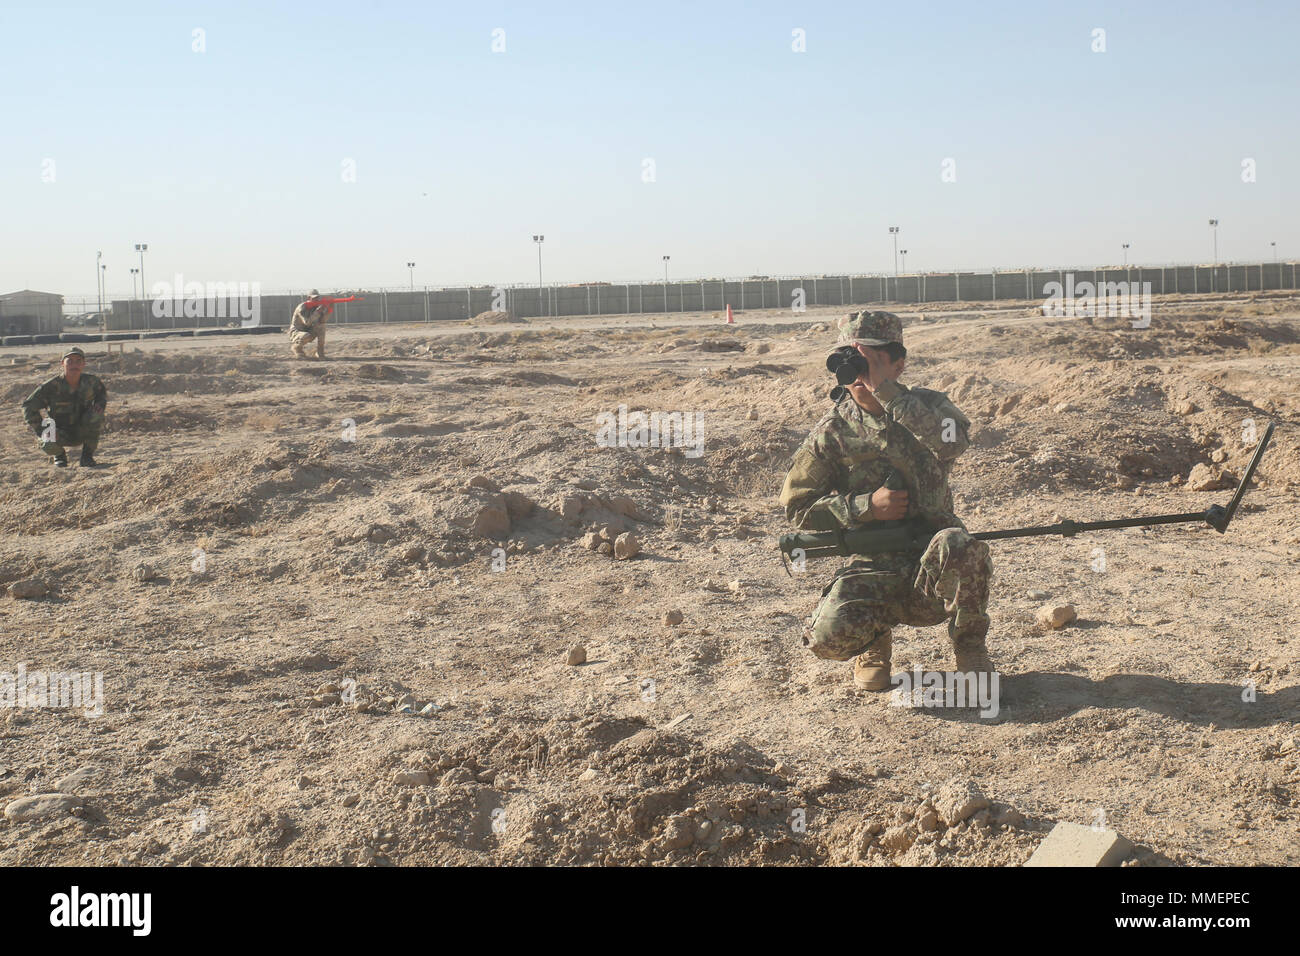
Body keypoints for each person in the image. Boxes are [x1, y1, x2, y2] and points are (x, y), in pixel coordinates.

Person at [779, 311, 993, 690]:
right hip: (873, 567)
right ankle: (873, 641)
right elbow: (797, 509)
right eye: (852, 359)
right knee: (825, 640)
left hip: (931, 564)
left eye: (872, 359)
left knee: (961, 545)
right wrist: (865, 506)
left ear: (899, 362)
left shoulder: (929, 408)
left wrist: (888, 392)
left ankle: (970, 647)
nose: (860, 372)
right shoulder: (832, 432)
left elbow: (953, 441)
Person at [21, 346, 108, 468]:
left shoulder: (91, 382)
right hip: (60, 433)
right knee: (47, 441)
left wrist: (99, 406)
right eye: (70, 361)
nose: (74, 365)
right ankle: (60, 456)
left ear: (84, 364)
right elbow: (28, 406)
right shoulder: (51, 386)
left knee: (96, 416)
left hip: (83, 429)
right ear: (62, 363)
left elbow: (101, 394)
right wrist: (42, 431)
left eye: (78, 361)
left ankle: (87, 457)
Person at [289, 289, 332, 359]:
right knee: (306, 335)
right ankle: (297, 348)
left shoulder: (316, 307)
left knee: (321, 327)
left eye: (317, 298)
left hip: (308, 330)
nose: (316, 300)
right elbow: (307, 322)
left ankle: (320, 352)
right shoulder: (302, 307)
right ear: (308, 298)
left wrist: (329, 309)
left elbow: (323, 321)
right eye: (314, 298)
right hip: (297, 332)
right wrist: (317, 312)